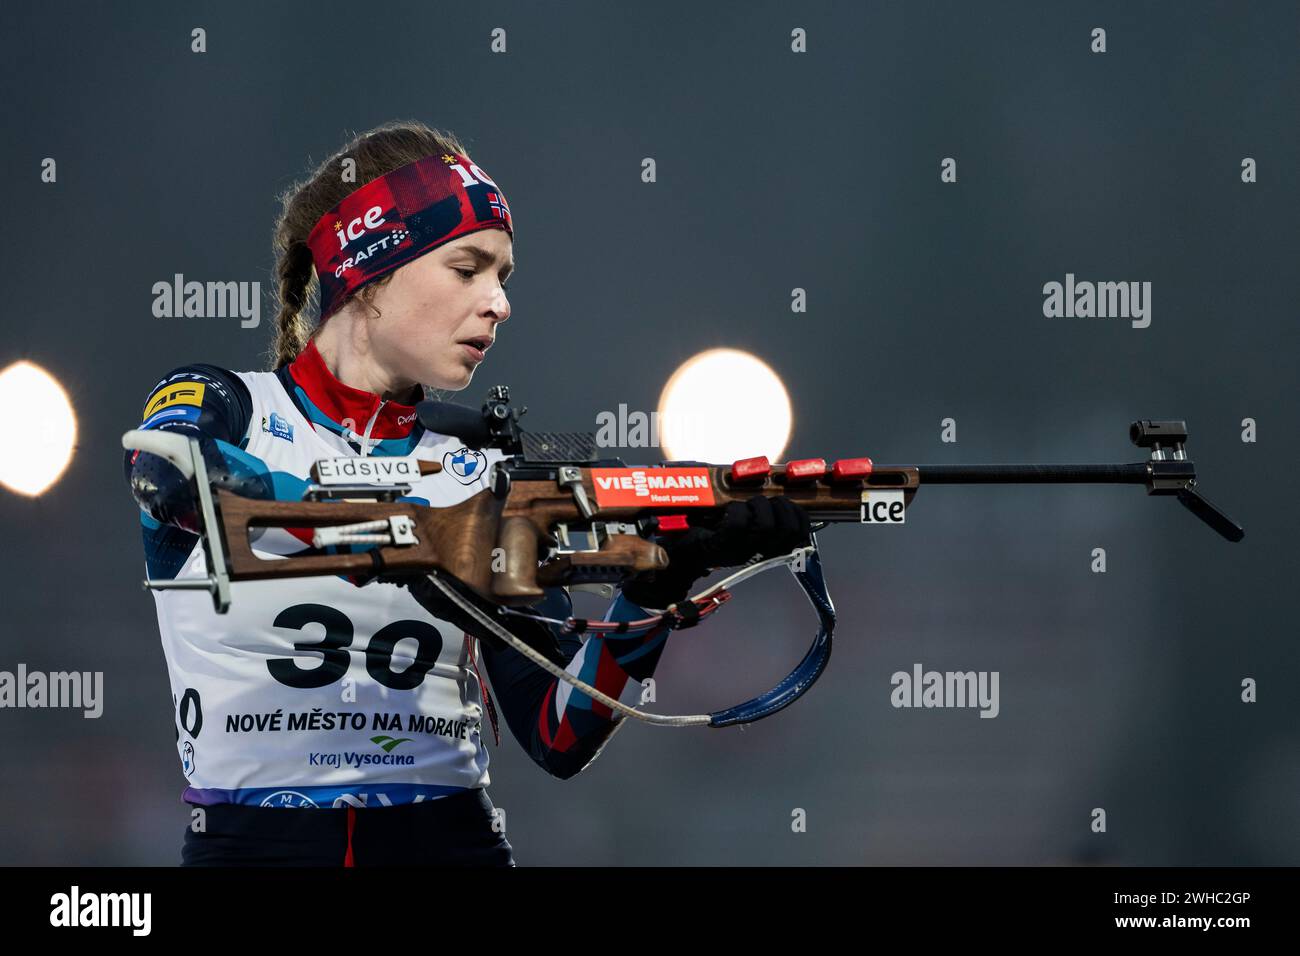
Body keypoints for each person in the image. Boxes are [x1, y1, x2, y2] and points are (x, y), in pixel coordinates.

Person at [123, 120, 811, 866]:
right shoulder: (230, 406)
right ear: (371, 268)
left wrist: (657, 587)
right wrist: (400, 524)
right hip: (250, 848)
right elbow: (170, 473)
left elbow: (558, 732)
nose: (498, 304)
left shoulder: (476, 468)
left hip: (448, 843)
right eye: (467, 268)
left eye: (503, 278)